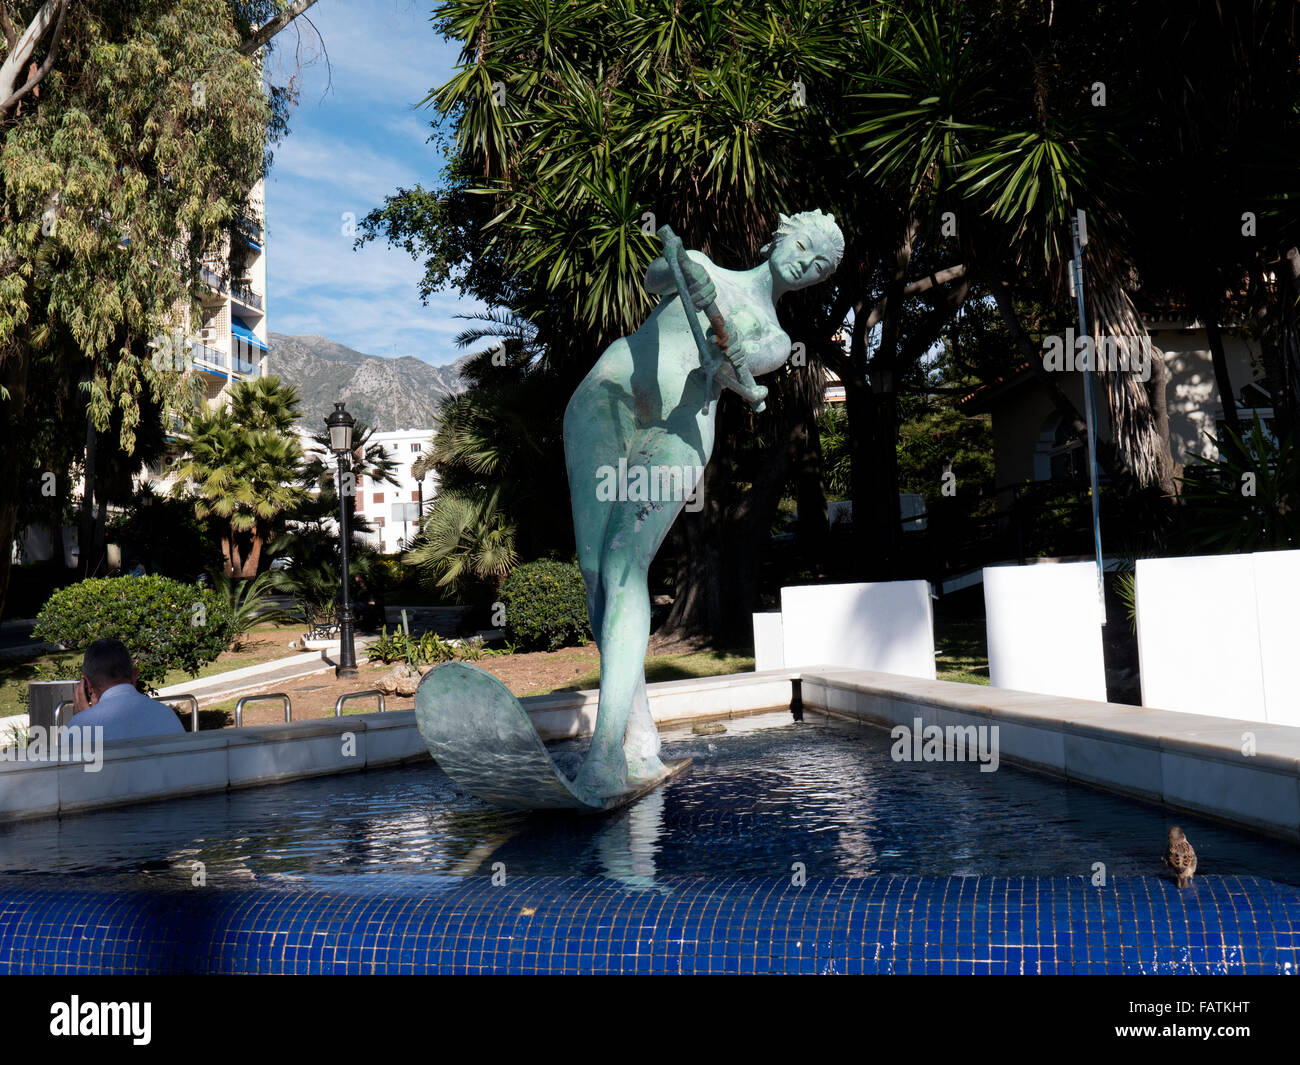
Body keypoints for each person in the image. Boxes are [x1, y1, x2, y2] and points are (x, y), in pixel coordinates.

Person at [563, 209, 844, 799]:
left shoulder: (774, 334)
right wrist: (682, 270)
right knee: (595, 579)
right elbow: (653, 277)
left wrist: (727, 351)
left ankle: (604, 754)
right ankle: (639, 741)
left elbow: (737, 365)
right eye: (805, 246)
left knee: (623, 565)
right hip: (609, 390)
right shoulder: (706, 266)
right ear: (780, 235)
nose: (805, 263)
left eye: (818, 267)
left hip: (679, 431)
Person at [70, 638, 185, 740]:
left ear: (88, 684)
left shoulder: (80, 726)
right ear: (134, 675)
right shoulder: (166, 715)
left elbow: (67, 763)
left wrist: (84, 722)